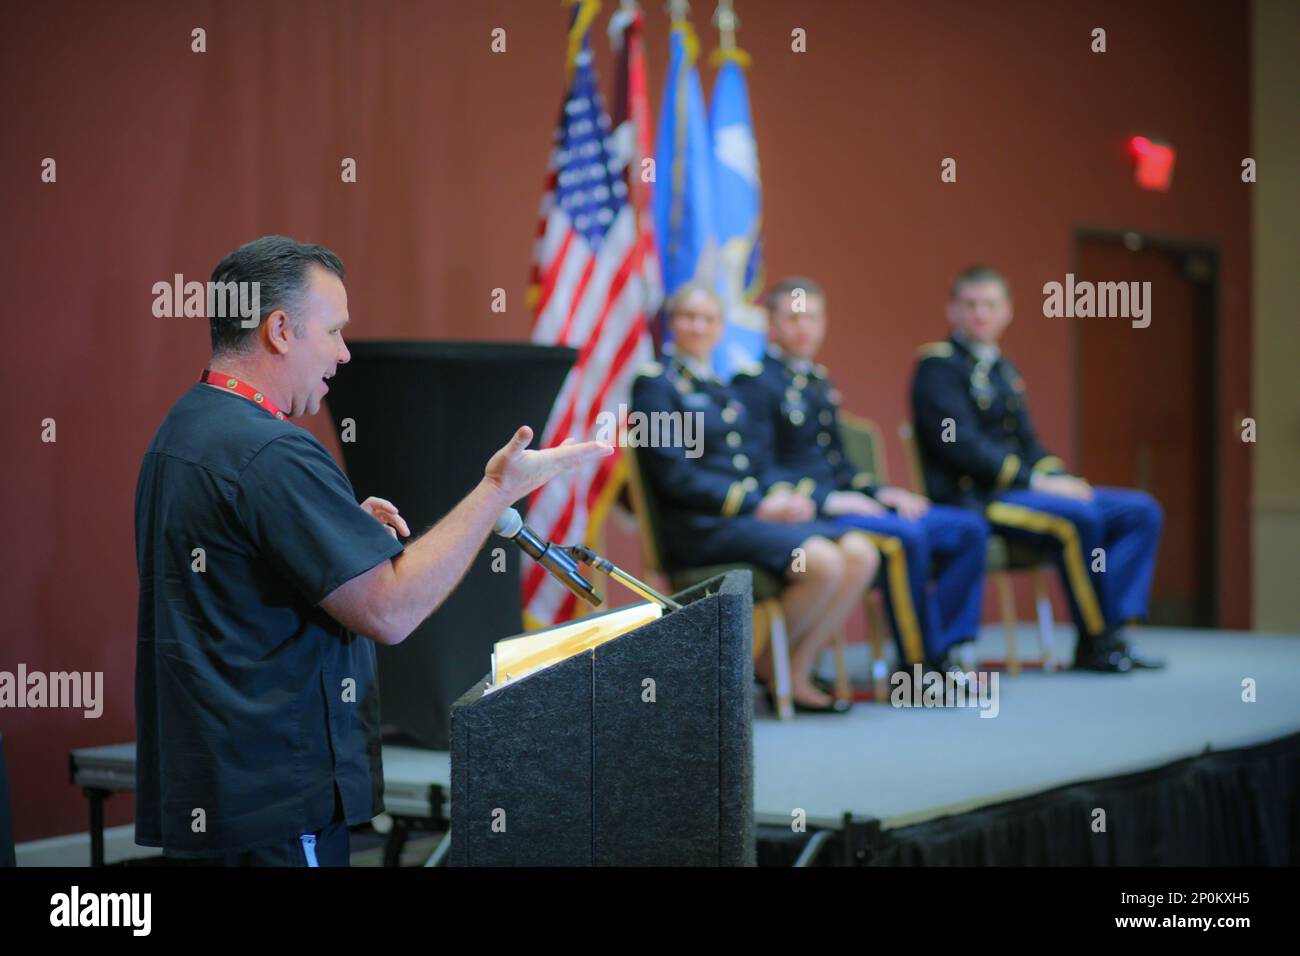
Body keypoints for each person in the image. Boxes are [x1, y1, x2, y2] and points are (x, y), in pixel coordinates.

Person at [134, 235, 612, 866]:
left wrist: (331, 530)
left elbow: (234, 566)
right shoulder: (274, 453)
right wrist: (497, 491)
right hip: (276, 803)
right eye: (332, 332)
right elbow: (391, 611)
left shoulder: (186, 427)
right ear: (280, 330)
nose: (343, 352)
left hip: (219, 790)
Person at [630, 282, 879, 713]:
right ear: (672, 324)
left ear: (721, 327)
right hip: (700, 526)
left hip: (746, 520)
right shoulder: (655, 386)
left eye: (708, 318)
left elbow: (751, 463)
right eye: (688, 317)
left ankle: (788, 667)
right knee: (822, 563)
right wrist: (756, 503)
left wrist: (780, 495)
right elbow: (674, 477)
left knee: (860, 552)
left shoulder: (723, 387)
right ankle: (776, 668)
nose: (698, 326)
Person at [910, 265, 1164, 673]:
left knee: (1140, 511)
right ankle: (1096, 641)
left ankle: (1116, 626)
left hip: (1025, 491)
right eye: (970, 305)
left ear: (1007, 311)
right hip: (976, 499)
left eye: (990, 305)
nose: (980, 314)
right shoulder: (937, 368)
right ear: (952, 310)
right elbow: (959, 445)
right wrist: (1037, 481)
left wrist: (1058, 477)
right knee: (1076, 519)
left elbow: (1028, 443)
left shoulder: (1003, 369)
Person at [733, 277, 989, 674]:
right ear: (772, 323)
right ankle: (920, 667)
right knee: (906, 538)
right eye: (793, 318)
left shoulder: (816, 381)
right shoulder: (753, 384)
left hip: (849, 503)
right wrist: (831, 500)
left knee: (968, 529)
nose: (804, 328)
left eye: (813, 318)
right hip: (810, 512)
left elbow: (841, 465)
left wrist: (882, 492)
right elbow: (760, 469)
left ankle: (949, 645)